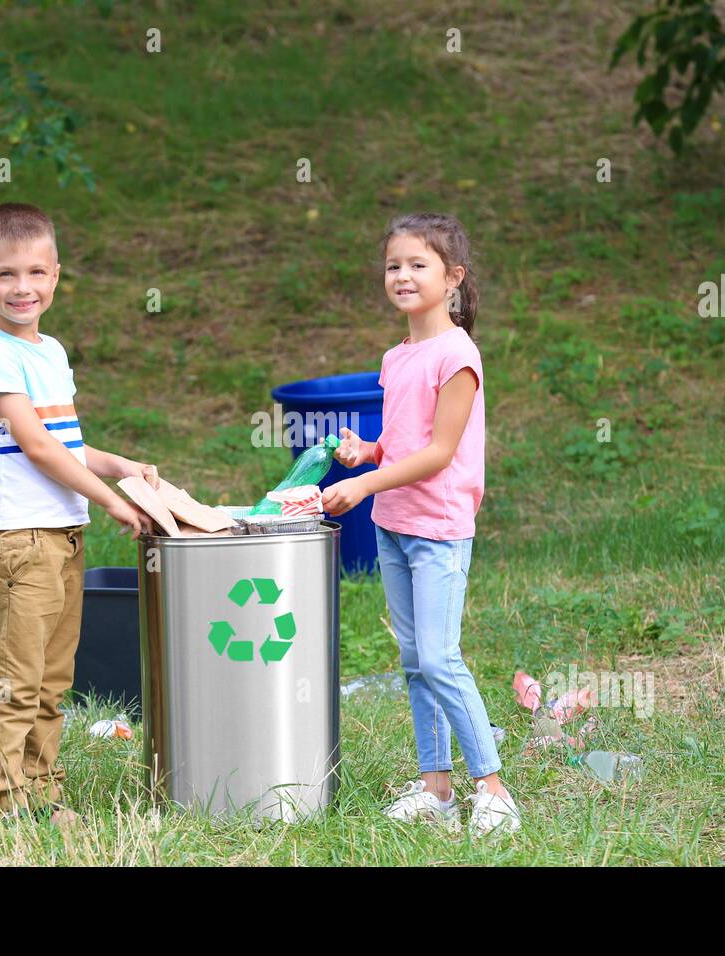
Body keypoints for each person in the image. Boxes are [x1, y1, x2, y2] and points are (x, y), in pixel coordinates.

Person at [323, 212, 519, 836]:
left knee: (439, 658)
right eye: (393, 265)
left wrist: (360, 484)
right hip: (394, 523)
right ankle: (437, 789)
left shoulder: (458, 355)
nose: (402, 275)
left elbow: (439, 453)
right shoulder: (397, 356)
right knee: (413, 660)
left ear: (452, 277)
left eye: (418, 264)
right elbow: (407, 441)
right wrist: (370, 451)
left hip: (437, 525)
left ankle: (491, 787)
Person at [0, 202, 157, 825]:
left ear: (56, 275)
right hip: (18, 542)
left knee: (52, 678)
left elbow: (68, 443)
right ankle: (4, 798)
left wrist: (117, 465)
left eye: (37, 273)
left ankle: (43, 790)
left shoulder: (49, 351)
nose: (23, 288)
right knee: (19, 679)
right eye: (6, 275)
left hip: (61, 539)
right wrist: (110, 501)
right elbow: (36, 446)